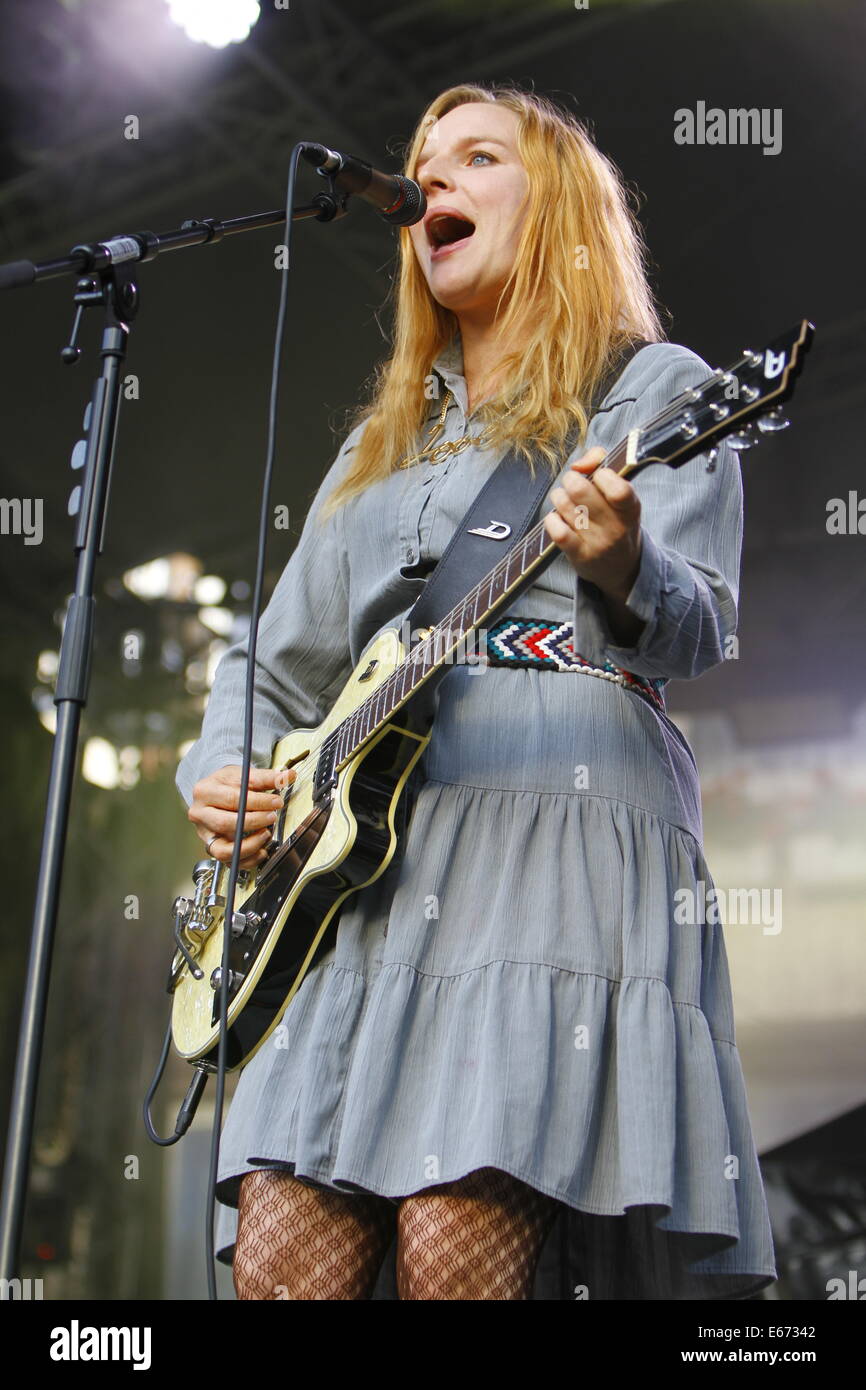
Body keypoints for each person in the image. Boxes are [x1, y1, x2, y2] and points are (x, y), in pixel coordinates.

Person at [175, 81, 777, 1300]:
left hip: (548, 844)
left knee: (458, 1259)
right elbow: (269, 663)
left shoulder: (650, 388)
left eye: (475, 158)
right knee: (280, 1267)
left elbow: (698, 622)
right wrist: (218, 771)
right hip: (357, 879)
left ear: (554, 208)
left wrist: (621, 557)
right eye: (420, 162)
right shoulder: (378, 442)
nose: (429, 180)